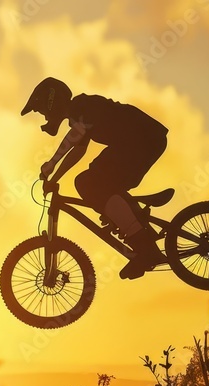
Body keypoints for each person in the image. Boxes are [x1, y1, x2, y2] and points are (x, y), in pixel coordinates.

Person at [21, 77, 169, 279]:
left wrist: (52, 163)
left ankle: (143, 246)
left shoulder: (82, 106)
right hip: (142, 140)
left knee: (88, 183)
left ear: (51, 102)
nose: (44, 116)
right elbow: (78, 151)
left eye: (42, 110)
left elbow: (74, 137)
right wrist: (54, 178)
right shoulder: (81, 115)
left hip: (141, 139)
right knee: (99, 186)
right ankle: (142, 236)